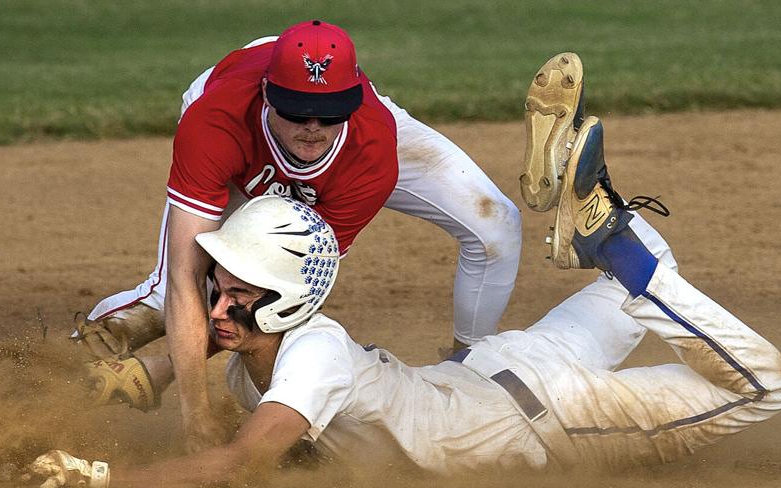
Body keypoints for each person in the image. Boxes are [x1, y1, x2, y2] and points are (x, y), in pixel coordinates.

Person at [30, 118, 781, 488]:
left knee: (770, 390)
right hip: (508, 364)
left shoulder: (313, 356)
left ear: (289, 297)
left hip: (563, 413)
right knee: (654, 264)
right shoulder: (258, 367)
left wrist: (101, 479)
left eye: (240, 293)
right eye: (217, 286)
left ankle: (612, 246)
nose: (219, 307)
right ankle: (610, 238)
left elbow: (237, 461)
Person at [73, 20, 525, 452]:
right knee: (178, 287)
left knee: (495, 225)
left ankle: (469, 367)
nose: (312, 126)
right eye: (297, 111)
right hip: (239, 130)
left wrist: (163, 368)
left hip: (355, 152)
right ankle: (56, 368)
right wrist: (196, 416)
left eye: (329, 115)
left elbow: (298, 288)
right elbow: (185, 280)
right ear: (268, 96)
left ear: (352, 102)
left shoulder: (371, 150)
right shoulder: (215, 122)